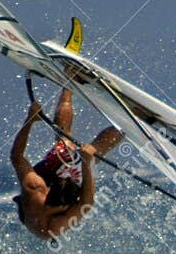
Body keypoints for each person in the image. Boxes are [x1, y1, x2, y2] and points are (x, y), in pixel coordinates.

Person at [10, 89, 123, 240]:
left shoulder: (34, 188)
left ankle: (68, 87)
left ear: (48, 189)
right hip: (41, 220)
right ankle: (125, 126)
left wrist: (30, 119)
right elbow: (87, 202)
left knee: (64, 143)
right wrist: (86, 162)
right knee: (96, 151)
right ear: (67, 206)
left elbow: (16, 157)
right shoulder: (54, 226)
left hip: (43, 184)